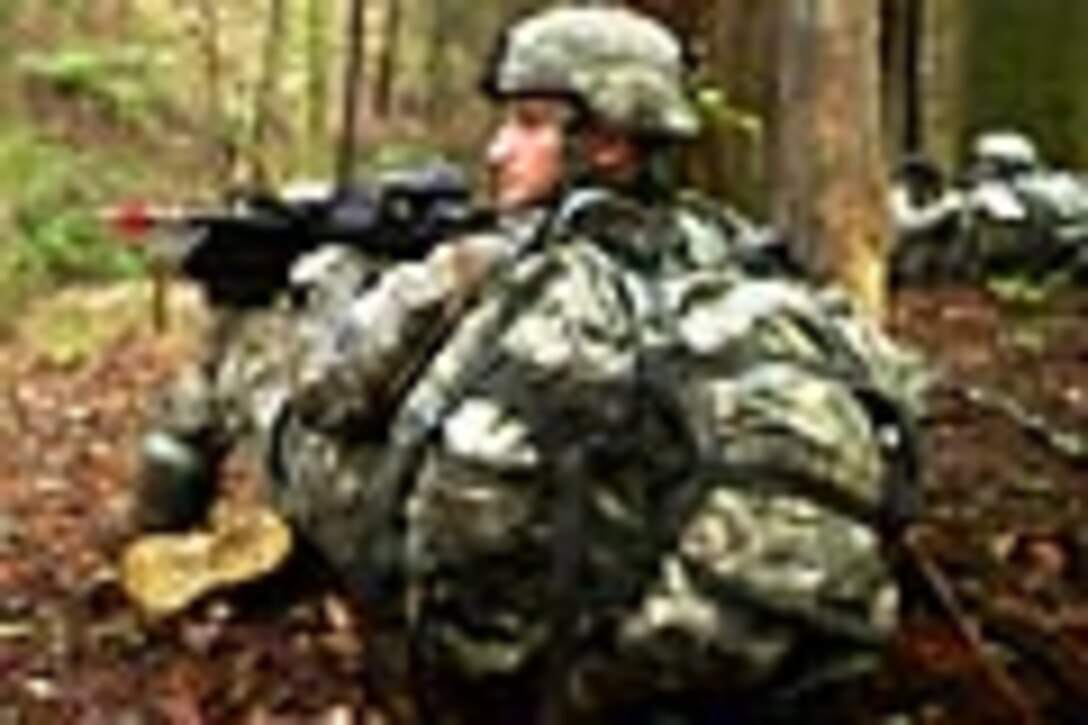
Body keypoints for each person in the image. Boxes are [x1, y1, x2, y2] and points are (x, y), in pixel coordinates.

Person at [127, 5, 925, 722]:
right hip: (703, 650)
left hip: (507, 679)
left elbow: (328, 394)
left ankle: (157, 537)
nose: (496, 147)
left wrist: (329, 283)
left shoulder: (484, 269)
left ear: (606, 141)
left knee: (245, 356)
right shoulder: (742, 257)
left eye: (529, 121)